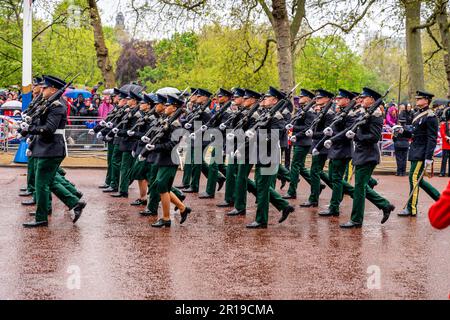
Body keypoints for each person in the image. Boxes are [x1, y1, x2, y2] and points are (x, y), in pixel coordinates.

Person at [21, 75, 86, 228]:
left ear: (54, 90)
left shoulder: (57, 106)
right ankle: (74, 203)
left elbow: (49, 129)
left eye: (45, 88)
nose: (42, 90)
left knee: (42, 184)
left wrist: (31, 129)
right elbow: (39, 122)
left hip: (51, 149)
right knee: (48, 182)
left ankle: (42, 217)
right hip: (43, 147)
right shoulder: (48, 103)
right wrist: (28, 128)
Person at [340, 87, 395, 228]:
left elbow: (374, 137)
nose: (361, 100)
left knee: (359, 188)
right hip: (361, 154)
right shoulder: (364, 113)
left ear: (372, 99)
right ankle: (385, 205)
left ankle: (356, 219)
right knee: (361, 186)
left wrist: (357, 136)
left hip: (368, 155)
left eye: (364, 98)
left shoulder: (375, 115)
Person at [245, 86, 295, 229]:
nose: (264, 99)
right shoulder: (266, 113)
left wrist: (256, 136)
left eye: (267, 98)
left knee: (262, 187)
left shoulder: (277, 116)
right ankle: (284, 206)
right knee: (262, 186)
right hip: (261, 154)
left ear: (274, 100)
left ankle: (261, 220)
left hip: (269, 155)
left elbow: (274, 136)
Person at [396, 90, 441, 217]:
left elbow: (432, 138)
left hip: (422, 152)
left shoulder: (430, 116)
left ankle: (411, 208)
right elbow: (414, 133)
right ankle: (441, 200)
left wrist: (428, 157)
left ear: (426, 100)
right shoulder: (418, 114)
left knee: (413, 178)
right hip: (415, 149)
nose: (417, 101)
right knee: (418, 180)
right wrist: (402, 131)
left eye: (419, 99)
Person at [150, 94, 192, 228]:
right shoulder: (167, 121)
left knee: (162, 186)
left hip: (169, 159)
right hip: (163, 159)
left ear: (174, 108)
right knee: (163, 187)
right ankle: (182, 208)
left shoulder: (175, 125)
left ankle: (166, 218)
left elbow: (171, 145)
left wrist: (155, 147)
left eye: (168, 105)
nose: (165, 107)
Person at [300, 89, 334, 208]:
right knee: (316, 171)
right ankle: (339, 191)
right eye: (317, 98)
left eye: (320, 98)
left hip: (322, 146)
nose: (317, 100)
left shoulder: (329, 113)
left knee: (314, 171)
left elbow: (327, 133)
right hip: (317, 144)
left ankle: (314, 198)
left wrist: (312, 135)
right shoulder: (322, 111)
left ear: (327, 99)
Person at [282, 89, 315, 199]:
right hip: (299, 141)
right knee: (300, 166)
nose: (299, 98)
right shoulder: (303, 110)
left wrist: (293, 128)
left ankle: (292, 191)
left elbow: (308, 128)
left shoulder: (309, 111)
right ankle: (317, 185)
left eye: (302, 96)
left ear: (308, 99)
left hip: (303, 142)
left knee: (295, 166)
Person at [439, 108, 450, 177]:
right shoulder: (443, 124)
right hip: (445, 145)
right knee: (444, 160)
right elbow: (442, 133)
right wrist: (448, 139)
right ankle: (442, 172)